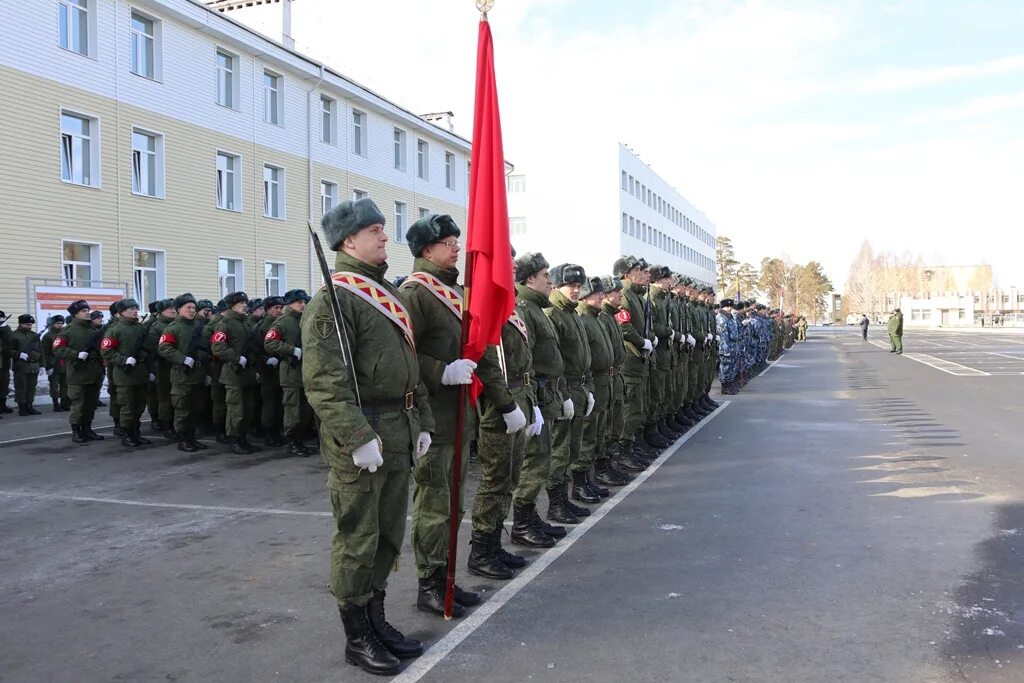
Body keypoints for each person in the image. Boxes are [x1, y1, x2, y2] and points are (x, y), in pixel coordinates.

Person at [303, 198, 434, 675]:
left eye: (384, 229)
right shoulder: (333, 301)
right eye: (375, 230)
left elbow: (411, 368)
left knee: (388, 536)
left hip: (397, 429)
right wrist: (357, 435)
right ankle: (357, 637)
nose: (385, 236)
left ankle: (377, 620)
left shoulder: (386, 295)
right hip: (363, 435)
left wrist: (422, 422)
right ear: (348, 241)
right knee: (359, 538)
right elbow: (325, 382)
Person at [397, 214, 495, 609]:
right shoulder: (415, 294)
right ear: (427, 250)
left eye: (457, 239)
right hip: (433, 417)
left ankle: (446, 577)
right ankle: (430, 584)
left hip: (458, 414)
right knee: (434, 504)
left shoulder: (451, 292)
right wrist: (441, 371)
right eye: (449, 241)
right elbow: (404, 356)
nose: (457, 246)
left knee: (453, 501)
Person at [510, 252, 572, 531]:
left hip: (547, 394)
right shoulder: (525, 308)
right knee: (534, 460)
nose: (551, 281)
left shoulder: (536, 308)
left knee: (543, 457)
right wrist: (532, 402)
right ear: (530, 278)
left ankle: (531, 515)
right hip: (537, 394)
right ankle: (523, 521)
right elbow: (527, 361)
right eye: (546, 275)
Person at [265, 290, 316, 455]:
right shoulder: (282, 322)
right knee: (292, 409)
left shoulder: (305, 319)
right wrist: (291, 350)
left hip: (306, 371)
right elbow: (270, 343)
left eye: (303, 302)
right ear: (289, 304)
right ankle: (292, 441)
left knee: (305, 409)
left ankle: (301, 438)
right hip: (291, 372)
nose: (302, 305)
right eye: (298, 302)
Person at [158, 293, 210, 453]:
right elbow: (164, 348)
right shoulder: (172, 328)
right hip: (182, 376)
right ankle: (183, 439)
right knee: (182, 410)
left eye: (194, 307)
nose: (192, 310)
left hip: (198, 374)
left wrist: (207, 372)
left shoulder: (200, 327)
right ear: (179, 309)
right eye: (188, 307)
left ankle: (192, 437)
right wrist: (182, 359)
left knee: (196, 409)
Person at [211, 291, 261, 454]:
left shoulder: (245, 323)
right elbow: (218, 347)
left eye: (245, 303)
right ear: (232, 306)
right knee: (236, 409)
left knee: (248, 408)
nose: (244, 306)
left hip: (247, 373)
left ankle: (243, 438)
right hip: (233, 374)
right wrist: (236, 358)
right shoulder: (225, 323)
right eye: (241, 303)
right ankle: (234, 438)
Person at [101, 299, 152, 448]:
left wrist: (142, 356)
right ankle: (127, 434)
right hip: (124, 375)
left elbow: (147, 347)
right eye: (131, 309)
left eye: (136, 308)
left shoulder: (140, 328)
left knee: (139, 405)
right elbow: (106, 351)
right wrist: (123, 360)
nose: (135, 311)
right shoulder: (115, 329)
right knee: (127, 406)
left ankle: (136, 432)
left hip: (140, 372)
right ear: (122, 312)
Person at [53, 300, 105, 442]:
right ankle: (76, 431)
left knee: (90, 404)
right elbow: (57, 349)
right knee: (78, 404)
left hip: (94, 373)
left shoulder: (94, 330)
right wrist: (75, 354)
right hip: (77, 375)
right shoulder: (67, 331)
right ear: (75, 314)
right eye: (83, 311)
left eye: (88, 310)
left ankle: (87, 429)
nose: (87, 312)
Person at [9, 314, 42, 415]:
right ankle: (22, 408)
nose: (29, 326)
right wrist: (18, 354)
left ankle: (30, 406)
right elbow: (8, 350)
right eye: (27, 324)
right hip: (21, 366)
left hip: (34, 366)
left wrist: (43, 365)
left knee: (32, 387)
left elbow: (41, 350)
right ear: (21, 324)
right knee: (21, 387)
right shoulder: (14, 336)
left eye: (30, 324)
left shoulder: (34, 335)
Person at [42, 315, 69, 411]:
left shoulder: (66, 334)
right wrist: (48, 365)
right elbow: (45, 352)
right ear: (53, 324)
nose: (60, 325)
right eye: (58, 323)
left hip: (65, 363)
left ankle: (64, 403)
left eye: (62, 323)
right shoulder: (48, 336)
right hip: (54, 364)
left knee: (65, 384)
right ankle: (55, 404)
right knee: (54, 385)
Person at [0, 309, 13, 415]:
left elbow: (10, 341)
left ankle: (2, 405)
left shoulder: (5, 329)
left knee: (4, 383)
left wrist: (5, 327)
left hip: (4, 361)